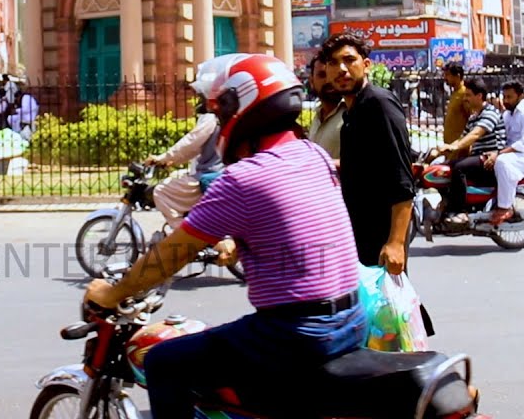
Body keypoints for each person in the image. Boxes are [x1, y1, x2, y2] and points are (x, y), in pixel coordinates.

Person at [84, 53, 366, 419]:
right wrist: (236, 241)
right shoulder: (311, 155)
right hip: (351, 320)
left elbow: (171, 254)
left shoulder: (242, 178)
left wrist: (113, 292)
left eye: (220, 112)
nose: (219, 122)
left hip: (295, 334)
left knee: (166, 361)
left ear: (243, 108)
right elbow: (288, 220)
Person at [332, 31, 414, 275]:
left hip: (380, 237)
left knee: (392, 308)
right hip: (357, 235)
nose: (342, 69)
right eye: (334, 63)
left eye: (349, 60)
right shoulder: (351, 111)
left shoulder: (378, 103)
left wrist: (396, 242)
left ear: (366, 65)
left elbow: (401, 177)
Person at [144, 82, 224, 231]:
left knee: (161, 191)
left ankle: (187, 235)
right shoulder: (225, 118)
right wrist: (171, 160)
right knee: (176, 175)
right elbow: (195, 149)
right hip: (218, 174)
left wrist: (163, 157)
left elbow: (190, 142)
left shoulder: (211, 119)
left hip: (208, 175)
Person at [436, 78, 505, 225]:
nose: (465, 99)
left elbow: (475, 134)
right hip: (479, 158)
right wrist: (443, 150)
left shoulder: (490, 113)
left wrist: (455, 146)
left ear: (479, 96)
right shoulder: (474, 116)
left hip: (490, 159)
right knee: (443, 169)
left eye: (468, 95)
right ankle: (448, 205)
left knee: (457, 168)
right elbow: (463, 138)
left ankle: (459, 210)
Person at [483, 81, 524, 225]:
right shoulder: (508, 114)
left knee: (501, 161)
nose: (506, 101)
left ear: (521, 96)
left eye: (510, 97)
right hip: (516, 156)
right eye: (504, 97)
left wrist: (498, 154)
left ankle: (505, 207)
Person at [307, 47, 347, 168]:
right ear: (311, 82)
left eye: (331, 73)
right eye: (322, 75)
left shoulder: (354, 112)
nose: (328, 80)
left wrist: (320, 166)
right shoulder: (317, 116)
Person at [441, 62, 471, 163]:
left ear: (457, 76)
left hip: (459, 149)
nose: (445, 78)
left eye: (448, 75)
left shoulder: (465, 94)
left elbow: (471, 119)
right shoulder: (455, 93)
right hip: (450, 148)